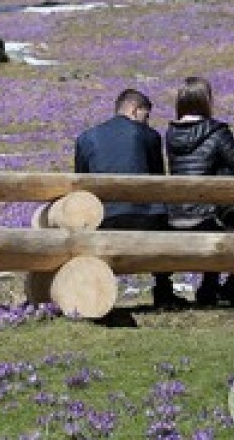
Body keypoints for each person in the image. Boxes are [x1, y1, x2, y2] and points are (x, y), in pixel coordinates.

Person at [75, 89, 189, 309]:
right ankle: (163, 289)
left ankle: (95, 294)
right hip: (147, 219)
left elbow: (82, 185)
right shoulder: (149, 136)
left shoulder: (86, 138)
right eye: (146, 116)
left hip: (103, 220)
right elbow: (158, 182)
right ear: (135, 110)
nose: (147, 122)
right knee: (162, 218)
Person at [164, 76, 234, 307]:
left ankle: (210, 286)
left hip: (175, 216)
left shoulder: (171, 134)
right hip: (208, 217)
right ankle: (232, 286)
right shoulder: (217, 131)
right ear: (206, 101)